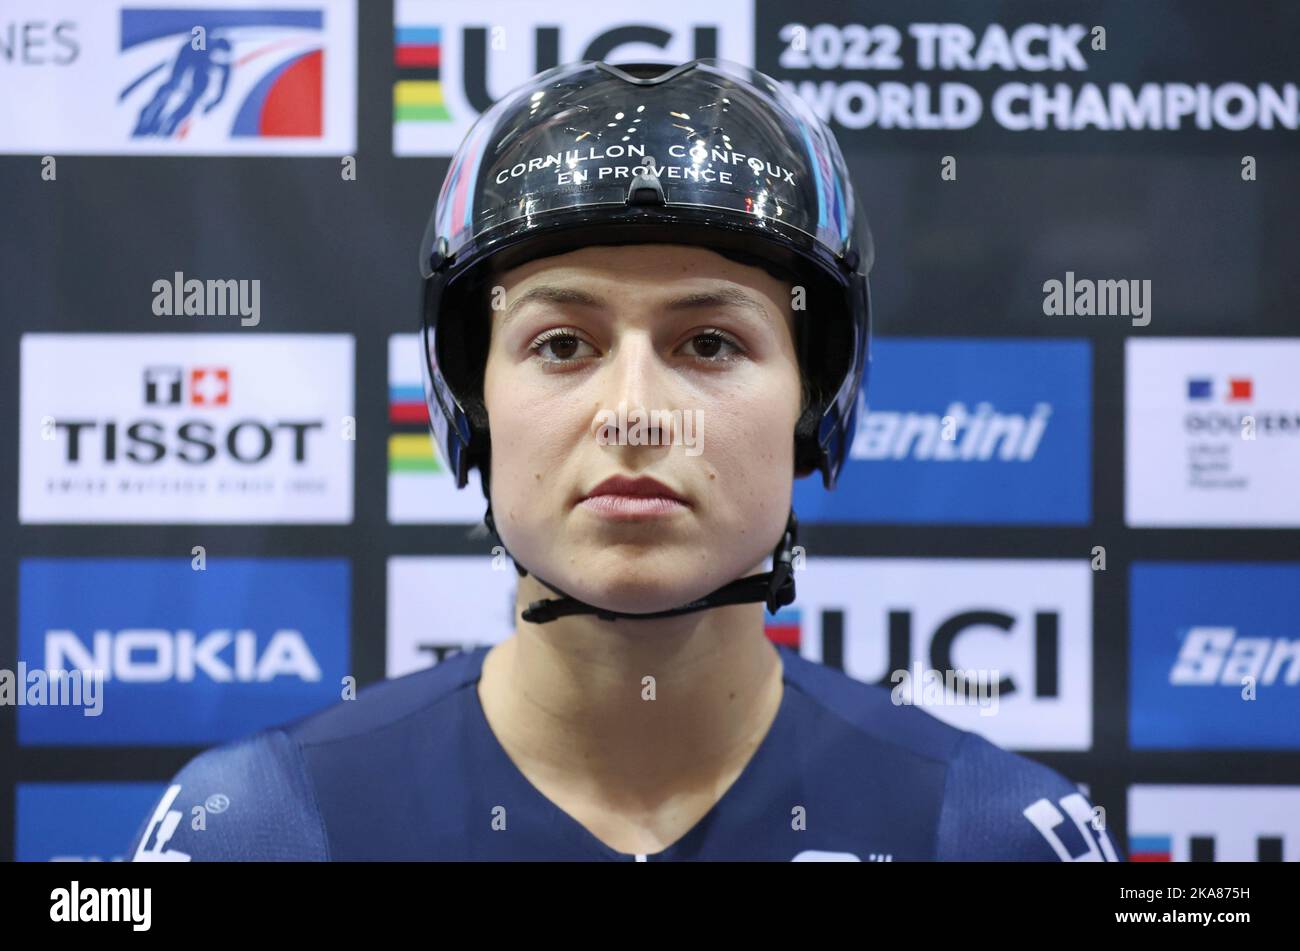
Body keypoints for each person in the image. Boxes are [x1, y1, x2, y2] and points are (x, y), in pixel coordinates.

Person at [128, 58, 1122, 861]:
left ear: (813, 403)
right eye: (562, 344)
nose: (637, 415)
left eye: (709, 344)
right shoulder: (256, 830)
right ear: (469, 400)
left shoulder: (991, 833)